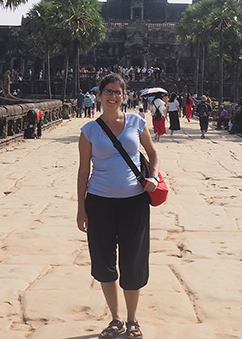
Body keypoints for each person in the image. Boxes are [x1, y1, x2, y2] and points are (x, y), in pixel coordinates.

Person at [77, 73, 160, 339]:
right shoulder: (89, 130)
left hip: (134, 202)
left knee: (133, 260)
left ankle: (133, 319)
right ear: (99, 95)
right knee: (104, 261)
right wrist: (81, 208)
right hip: (99, 201)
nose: (112, 97)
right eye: (108, 92)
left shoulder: (136, 122)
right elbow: (83, 171)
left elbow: (153, 153)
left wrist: (154, 176)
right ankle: (115, 319)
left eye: (117, 92)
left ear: (124, 96)